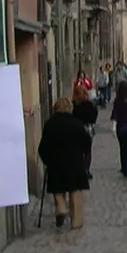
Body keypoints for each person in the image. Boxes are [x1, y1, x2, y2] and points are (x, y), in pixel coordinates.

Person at [38, 98, 91, 229]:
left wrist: (48, 161)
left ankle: (61, 208)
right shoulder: (77, 124)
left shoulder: (49, 124)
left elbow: (42, 148)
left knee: (58, 189)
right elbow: (87, 143)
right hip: (75, 164)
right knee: (75, 193)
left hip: (56, 164)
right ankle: (76, 221)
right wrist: (83, 157)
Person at [72, 86, 99, 179]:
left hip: (76, 130)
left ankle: (80, 169)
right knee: (87, 151)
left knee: (78, 150)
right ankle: (86, 170)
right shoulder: (90, 105)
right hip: (88, 129)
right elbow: (94, 115)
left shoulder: (74, 105)